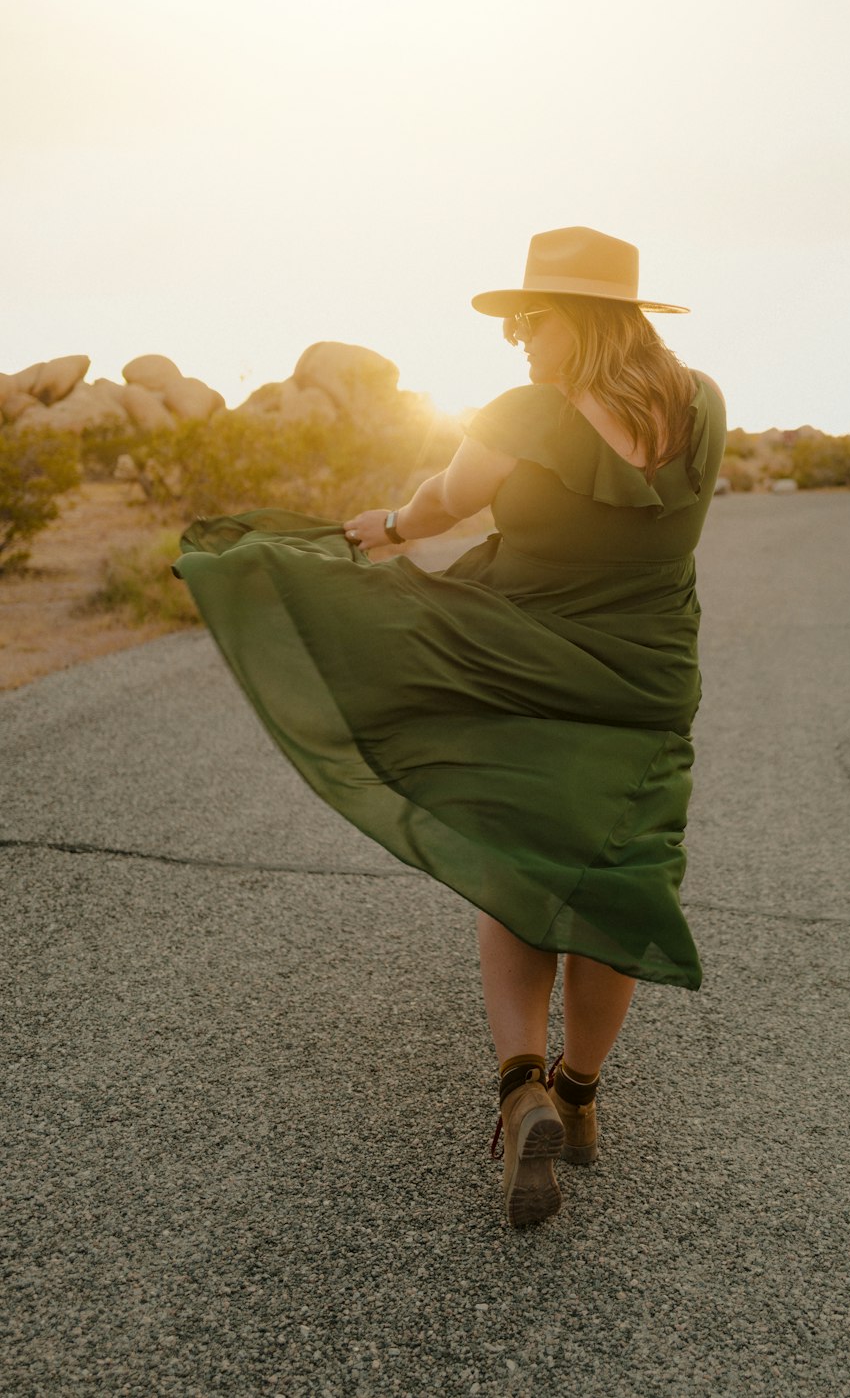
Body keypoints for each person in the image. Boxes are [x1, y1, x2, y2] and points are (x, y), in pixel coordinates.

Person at [174, 224, 726, 1228]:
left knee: (515, 863)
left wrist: (381, 528)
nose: (515, 338)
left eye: (529, 319)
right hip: (648, 682)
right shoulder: (703, 404)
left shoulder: (524, 414)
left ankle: (522, 1089)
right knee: (616, 877)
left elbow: (444, 504)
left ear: (581, 321)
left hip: (521, 661)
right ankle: (581, 1096)